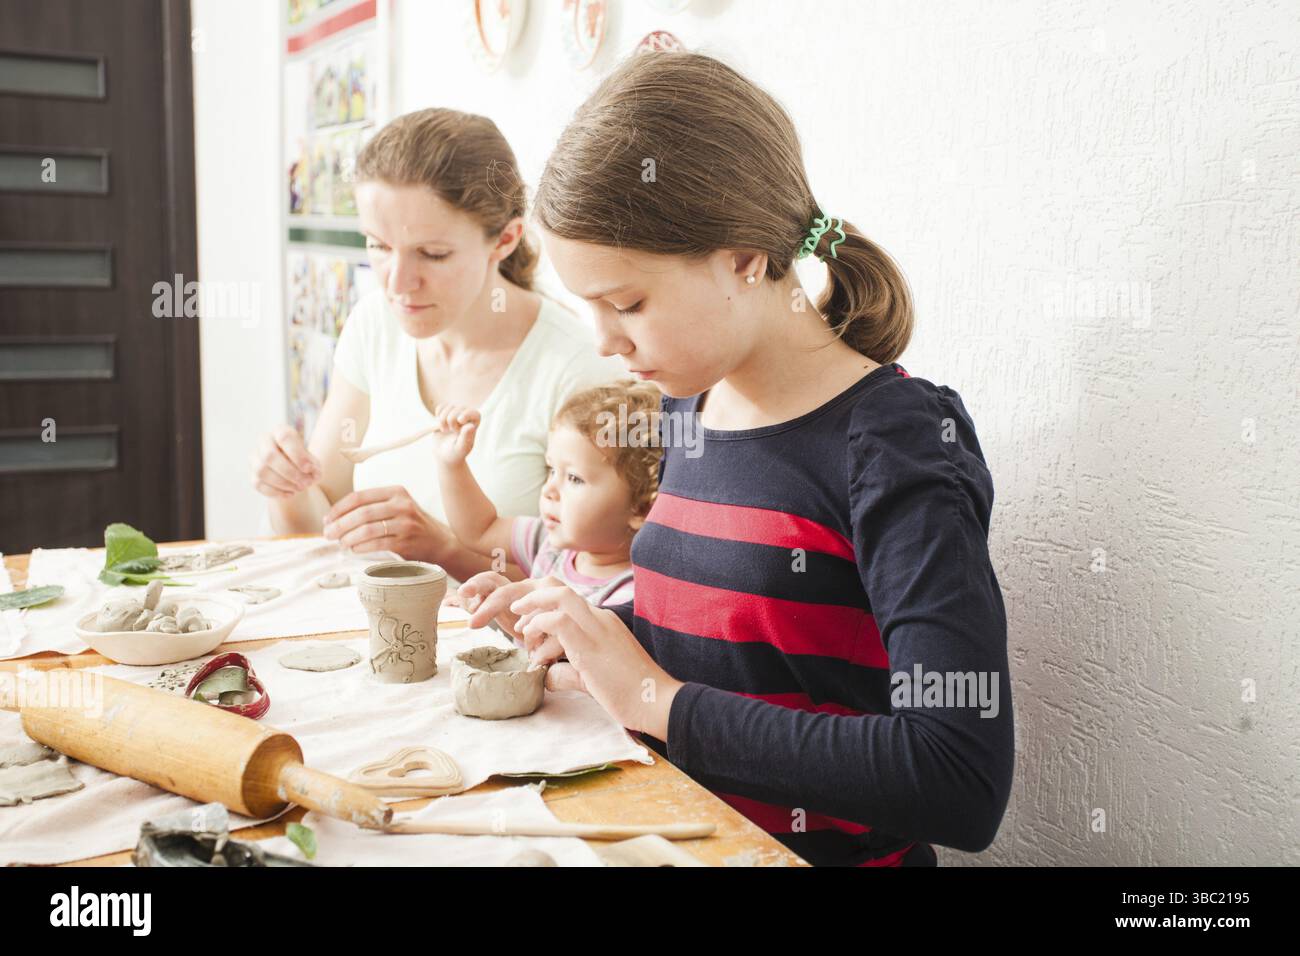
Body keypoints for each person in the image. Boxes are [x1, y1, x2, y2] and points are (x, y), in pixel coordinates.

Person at [468, 52, 1015, 866]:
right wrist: (583, 632)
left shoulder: (893, 442)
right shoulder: (690, 408)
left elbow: (957, 778)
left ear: (745, 257)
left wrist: (655, 698)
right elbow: (737, 650)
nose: (605, 340)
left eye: (627, 303)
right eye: (589, 307)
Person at [250, 108, 621, 580]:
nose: (399, 284)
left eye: (433, 254)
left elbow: (599, 590)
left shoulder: (578, 371)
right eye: (379, 246)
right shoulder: (374, 325)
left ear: (505, 239)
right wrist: (283, 485)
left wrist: (443, 550)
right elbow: (321, 528)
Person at [430, 381, 661, 635]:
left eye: (573, 478)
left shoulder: (631, 597)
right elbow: (480, 530)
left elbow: (571, 660)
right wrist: (451, 464)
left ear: (641, 508)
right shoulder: (549, 543)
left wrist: (508, 611)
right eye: (552, 470)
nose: (549, 489)